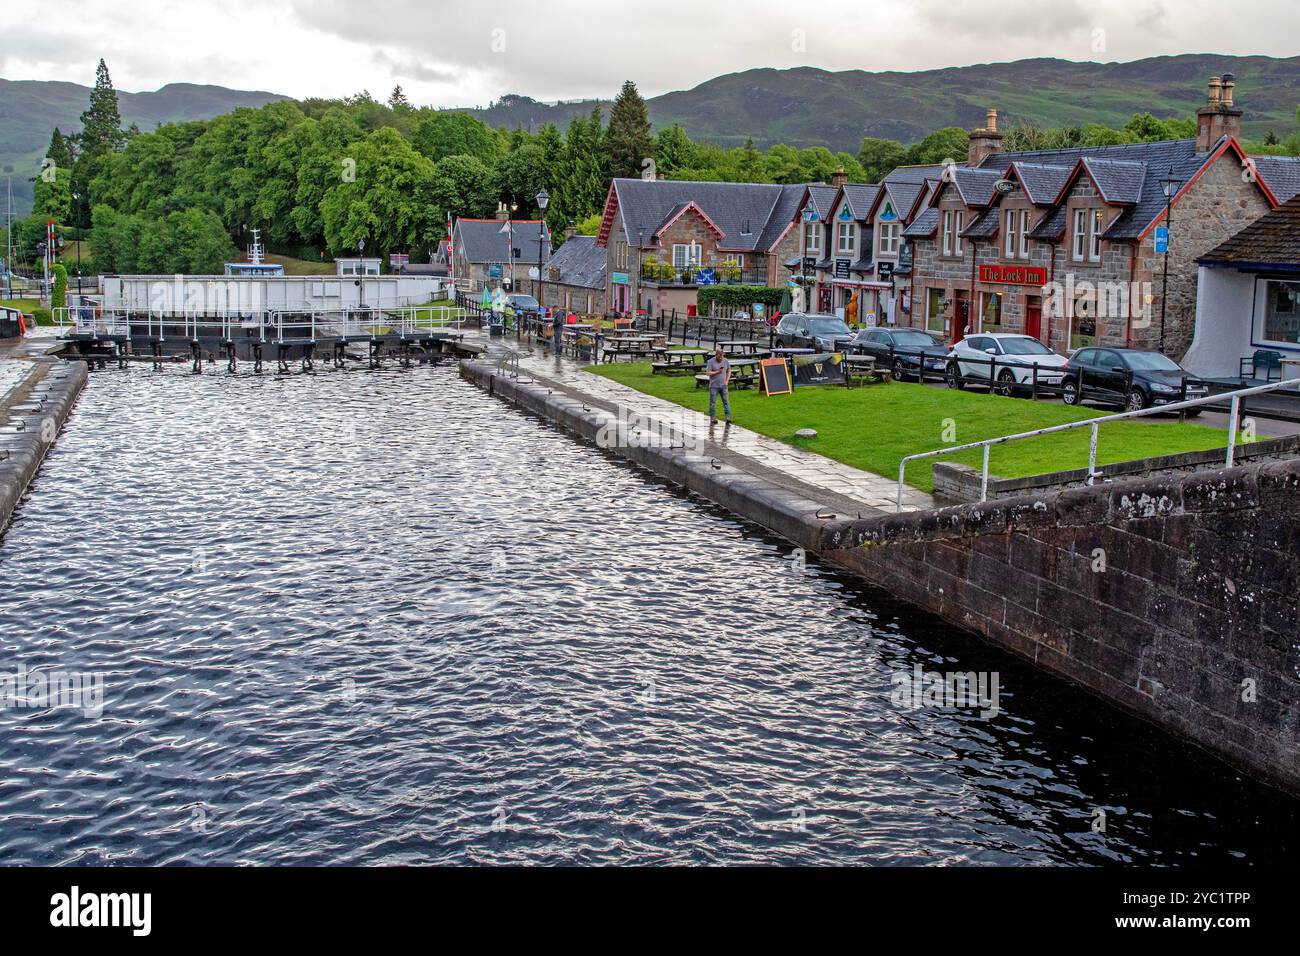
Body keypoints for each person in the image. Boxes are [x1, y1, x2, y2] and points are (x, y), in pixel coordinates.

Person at [705, 347, 731, 426]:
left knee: (726, 402)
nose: (721, 358)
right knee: (712, 403)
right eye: (719, 356)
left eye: (722, 356)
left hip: (723, 385)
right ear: (716, 355)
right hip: (714, 386)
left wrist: (727, 381)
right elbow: (708, 373)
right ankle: (713, 418)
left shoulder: (726, 361)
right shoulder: (710, 362)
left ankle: (728, 417)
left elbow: (729, 370)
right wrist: (717, 372)